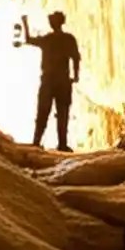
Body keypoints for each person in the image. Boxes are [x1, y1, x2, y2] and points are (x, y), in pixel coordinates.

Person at [21, 11, 81, 152]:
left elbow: (29, 40)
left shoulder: (48, 39)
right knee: (62, 113)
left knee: (43, 111)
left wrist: (25, 23)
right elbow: (76, 58)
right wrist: (76, 75)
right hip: (63, 80)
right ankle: (62, 143)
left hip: (48, 80)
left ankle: (37, 141)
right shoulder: (69, 39)